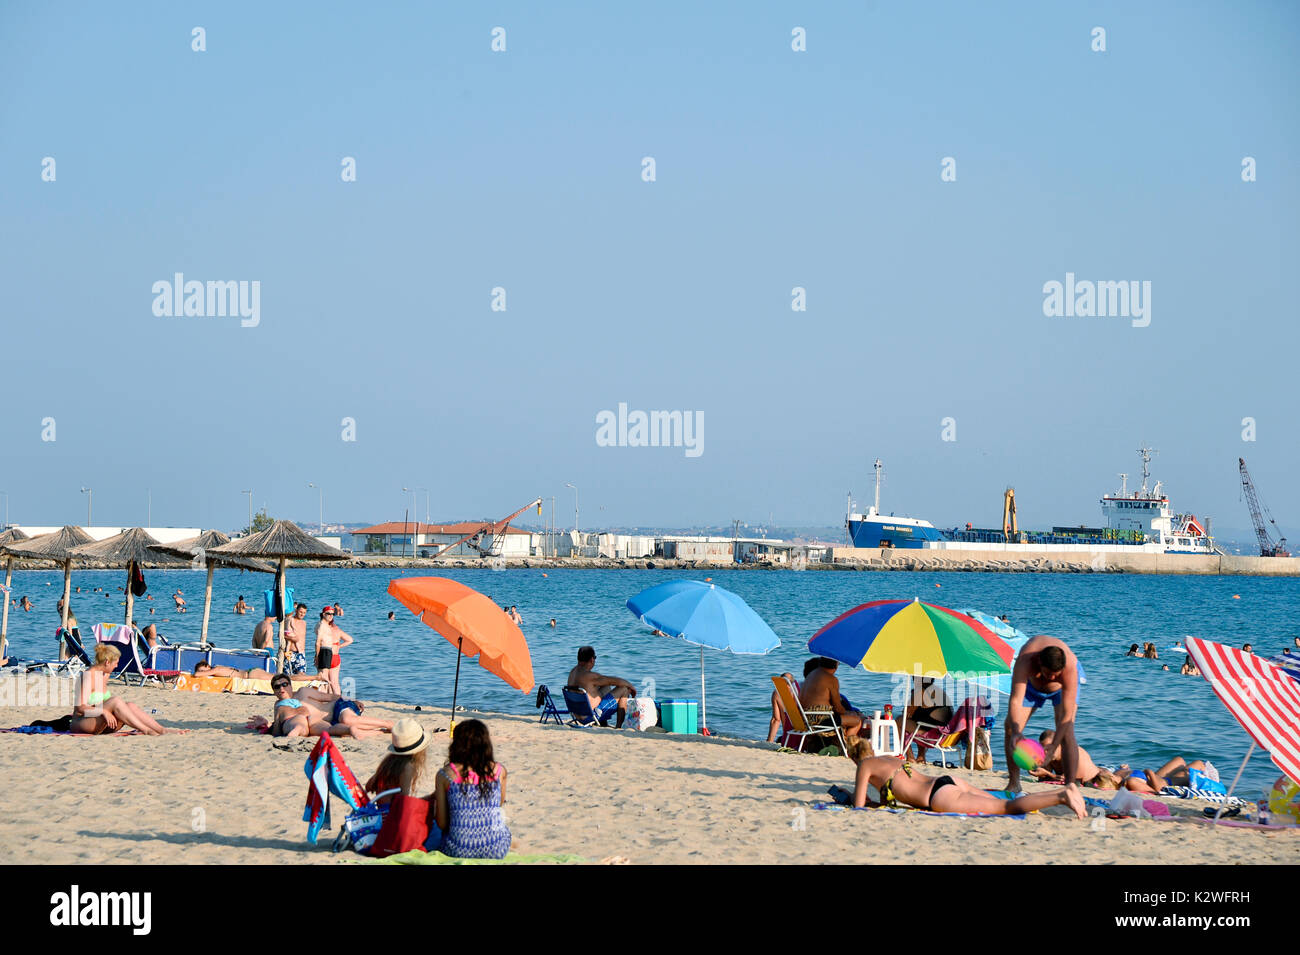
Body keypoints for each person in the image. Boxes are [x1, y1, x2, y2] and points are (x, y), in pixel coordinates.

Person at [848, 744, 1085, 818]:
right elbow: (891, 792)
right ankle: (1066, 795)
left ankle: (1061, 795)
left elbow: (858, 806)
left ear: (854, 759)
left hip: (939, 797)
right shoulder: (888, 758)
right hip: (947, 780)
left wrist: (853, 800)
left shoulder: (865, 767)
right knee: (998, 801)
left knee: (1006, 808)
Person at [1004, 635, 1082, 799]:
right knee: (1010, 727)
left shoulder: (1070, 668)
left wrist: (1054, 745)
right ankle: (1014, 782)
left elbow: (1067, 716)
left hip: (1060, 692)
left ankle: (1070, 786)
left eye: (1056, 675)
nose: (1052, 678)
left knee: (1067, 733)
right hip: (1032, 688)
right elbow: (1016, 700)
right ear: (1039, 662)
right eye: (1048, 674)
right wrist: (1017, 732)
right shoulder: (1026, 661)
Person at [427, 719, 511, 859]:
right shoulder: (499, 771)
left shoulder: (445, 775)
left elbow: (442, 823)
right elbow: (499, 804)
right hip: (496, 850)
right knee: (504, 830)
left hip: (457, 850)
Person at [69, 644, 184, 735]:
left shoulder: (104, 675)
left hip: (101, 721)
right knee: (116, 701)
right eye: (116, 663)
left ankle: (161, 730)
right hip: (82, 722)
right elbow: (80, 708)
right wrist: (103, 711)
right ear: (107, 662)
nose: (117, 666)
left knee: (130, 706)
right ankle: (146, 730)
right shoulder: (88, 676)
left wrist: (105, 711)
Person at [567, 646, 637, 728]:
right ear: (592, 660)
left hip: (578, 716)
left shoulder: (573, 672)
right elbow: (615, 681)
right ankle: (618, 727)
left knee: (606, 687)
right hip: (590, 717)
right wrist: (631, 686)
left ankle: (603, 723)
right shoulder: (590, 676)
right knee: (624, 689)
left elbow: (607, 682)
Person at [365, 718, 429, 804]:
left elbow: (369, 786)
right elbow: (403, 801)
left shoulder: (388, 762)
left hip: (381, 811)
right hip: (392, 813)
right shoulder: (407, 767)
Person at [800, 657, 862, 743]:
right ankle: (846, 748)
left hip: (805, 719)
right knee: (857, 721)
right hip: (821, 721)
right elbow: (838, 708)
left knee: (848, 717)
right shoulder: (831, 679)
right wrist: (849, 713)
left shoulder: (811, 675)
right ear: (836, 666)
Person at [1032, 731, 1124, 788]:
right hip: (1094, 770)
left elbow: (1069, 781)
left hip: (1100, 777)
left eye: (1049, 749)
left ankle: (1123, 769)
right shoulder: (1050, 755)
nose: (1045, 752)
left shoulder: (1072, 753)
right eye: (1043, 749)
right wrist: (1036, 770)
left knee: (1120, 777)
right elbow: (1044, 779)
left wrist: (1046, 773)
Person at [1121, 756, 1220, 794]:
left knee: (1179, 760)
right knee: (1198, 763)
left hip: (1159, 777)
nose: (1106, 771)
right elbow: (1156, 791)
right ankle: (1208, 784)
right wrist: (1149, 772)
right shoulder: (1130, 781)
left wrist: (1125, 770)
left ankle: (1201, 779)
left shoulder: (1119, 776)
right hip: (1166, 784)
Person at [314, 606, 352, 694]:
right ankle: (337, 700)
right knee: (334, 683)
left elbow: (318, 641)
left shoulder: (321, 626)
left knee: (324, 681)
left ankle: (324, 700)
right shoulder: (337, 629)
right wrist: (339, 646)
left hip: (326, 654)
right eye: (329, 614)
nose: (331, 615)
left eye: (332, 614)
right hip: (336, 656)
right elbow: (350, 640)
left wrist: (317, 656)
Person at [194, 660, 314, 682]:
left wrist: (199, 672)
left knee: (285, 678)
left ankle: (313, 677)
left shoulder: (215, 669)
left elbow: (197, 674)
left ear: (207, 667)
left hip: (251, 675)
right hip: (252, 672)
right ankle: (304, 676)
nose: (202, 672)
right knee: (283, 677)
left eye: (202, 669)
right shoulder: (218, 667)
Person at [283, 603, 309, 674]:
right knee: (287, 676)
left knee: (301, 675)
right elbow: (281, 634)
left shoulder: (304, 623)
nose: (302, 614)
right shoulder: (290, 620)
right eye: (301, 612)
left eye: (304, 613)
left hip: (301, 653)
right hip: (290, 653)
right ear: (296, 610)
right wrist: (294, 639)